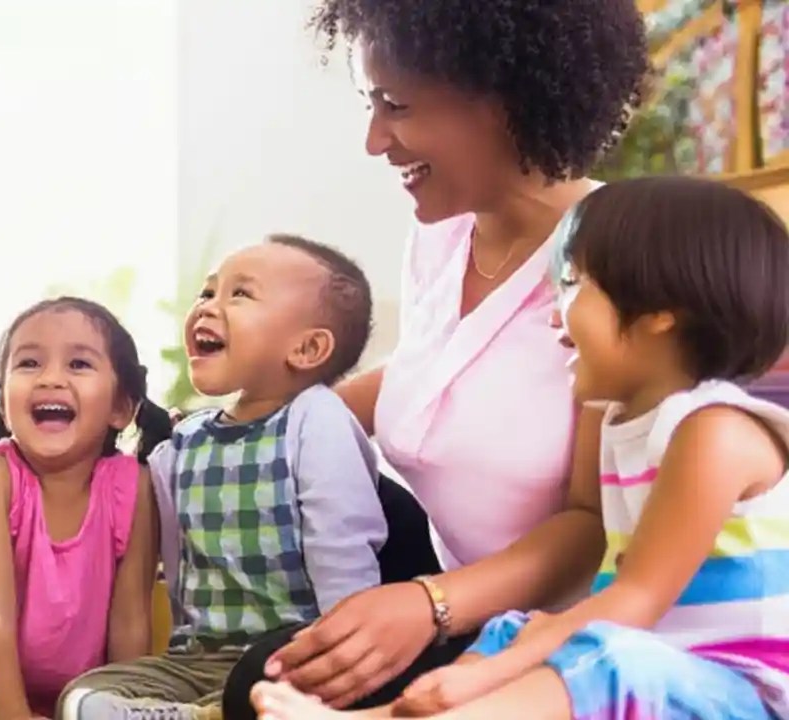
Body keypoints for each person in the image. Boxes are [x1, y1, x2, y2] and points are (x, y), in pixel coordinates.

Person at [223, 0, 651, 715]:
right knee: (273, 672)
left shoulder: (614, 263)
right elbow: (435, 373)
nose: (374, 141)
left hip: (548, 624)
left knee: (263, 689)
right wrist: (245, 427)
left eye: (396, 106)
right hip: (443, 582)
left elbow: (588, 524)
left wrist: (430, 605)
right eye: (371, 103)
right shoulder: (440, 239)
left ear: (506, 99)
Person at [253, 176, 789, 719]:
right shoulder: (620, 422)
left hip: (742, 687)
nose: (556, 316)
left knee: (605, 657)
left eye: (575, 284)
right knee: (515, 629)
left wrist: (485, 677)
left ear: (659, 311)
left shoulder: (713, 433)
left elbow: (636, 599)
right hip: (654, 664)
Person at [60, 234, 388, 720]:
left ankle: (215, 712)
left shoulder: (315, 420)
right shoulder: (184, 442)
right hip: (195, 661)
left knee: (270, 699)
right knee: (81, 697)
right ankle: (199, 714)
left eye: (240, 294)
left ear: (307, 347)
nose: (208, 306)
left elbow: (344, 553)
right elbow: (171, 564)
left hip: (293, 654)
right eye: (208, 292)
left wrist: (347, 659)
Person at [0, 297, 172, 718]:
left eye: (78, 364)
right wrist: (11, 714)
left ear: (120, 407)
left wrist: (118, 708)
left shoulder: (135, 486)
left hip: (68, 696)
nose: (50, 379)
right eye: (28, 364)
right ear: (4, 405)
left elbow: (131, 621)